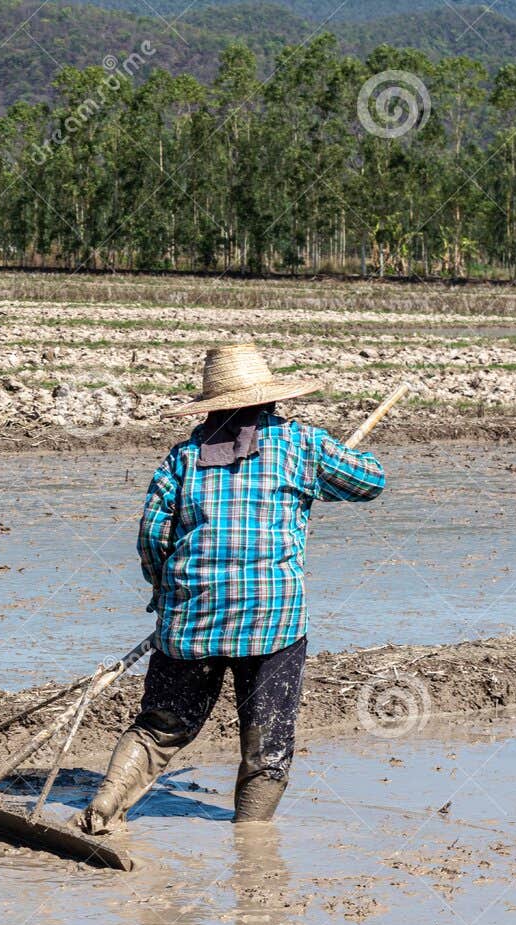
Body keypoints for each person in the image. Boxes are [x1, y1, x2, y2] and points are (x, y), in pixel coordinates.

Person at [80, 344, 386, 833]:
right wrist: (342, 458)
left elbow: (152, 537)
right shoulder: (302, 444)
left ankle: (102, 814)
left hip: (191, 618)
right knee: (268, 743)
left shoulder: (182, 457)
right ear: (270, 401)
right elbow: (370, 482)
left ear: (213, 407)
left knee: (161, 728)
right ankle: (252, 843)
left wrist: (167, 596)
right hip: (273, 620)